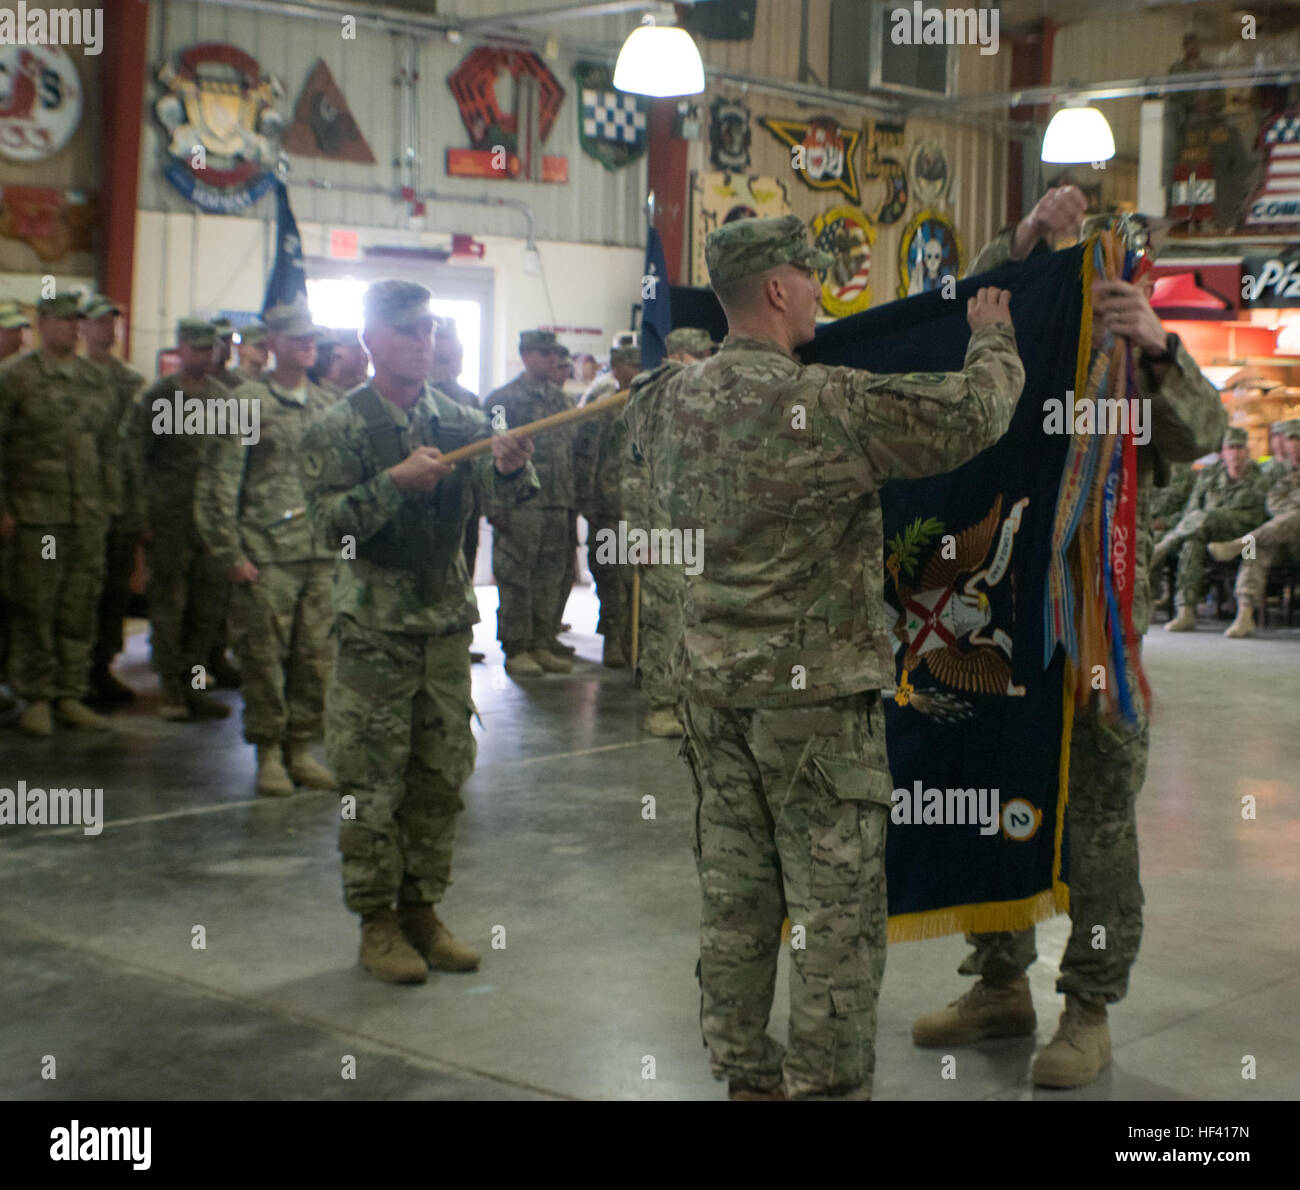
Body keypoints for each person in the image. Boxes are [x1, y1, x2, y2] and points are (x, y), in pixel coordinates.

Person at [626, 214, 1027, 1100]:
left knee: (736, 903)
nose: (821, 294)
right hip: (811, 715)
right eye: (810, 279)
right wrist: (994, 335)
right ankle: (827, 1088)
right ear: (776, 289)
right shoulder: (830, 403)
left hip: (711, 699)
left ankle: (744, 1078)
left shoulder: (661, 401)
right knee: (833, 918)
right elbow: (975, 416)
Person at [911, 185, 1227, 1089]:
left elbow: (1207, 433)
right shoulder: (1014, 356)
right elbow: (952, 324)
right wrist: (1015, 243)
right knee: (989, 803)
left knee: (1095, 834)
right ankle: (999, 982)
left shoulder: (1133, 373)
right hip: (1003, 634)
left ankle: (1087, 1009)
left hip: (1093, 642)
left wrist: (1160, 347)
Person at [299, 279, 537, 984]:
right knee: (371, 784)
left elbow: (502, 504)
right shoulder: (338, 427)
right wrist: (391, 486)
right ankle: (376, 924)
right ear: (372, 340)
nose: (421, 342)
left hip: (442, 627)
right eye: (406, 331)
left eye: (429, 330)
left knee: (439, 778)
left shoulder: (460, 418)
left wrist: (511, 468)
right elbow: (324, 528)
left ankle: (422, 912)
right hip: (373, 627)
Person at [194, 304, 338, 796]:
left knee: (315, 658)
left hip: (319, 555)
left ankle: (301, 747)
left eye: (311, 338)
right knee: (262, 658)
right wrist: (230, 553)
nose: (307, 345)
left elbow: (338, 482)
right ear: (272, 342)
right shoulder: (246, 402)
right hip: (265, 555)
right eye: (296, 338)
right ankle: (269, 753)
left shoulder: (327, 404)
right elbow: (218, 483)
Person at [0, 292, 120, 736]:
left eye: (78, 321)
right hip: (38, 516)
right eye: (66, 320)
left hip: (86, 514)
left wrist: (111, 502)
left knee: (80, 603)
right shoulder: (16, 377)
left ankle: (70, 693)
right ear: (44, 322)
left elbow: (110, 445)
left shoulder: (95, 379)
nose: (74, 327)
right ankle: (36, 696)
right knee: (37, 602)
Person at [134, 319, 233, 721]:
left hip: (210, 521)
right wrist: (142, 515)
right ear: (180, 350)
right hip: (169, 516)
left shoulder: (224, 398)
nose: (204, 355)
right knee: (169, 605)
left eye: (209, 349)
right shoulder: (159, 396)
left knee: (206, 608)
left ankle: (195, 686)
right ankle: (171, 690)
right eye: (196, 349)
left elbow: (233, 462)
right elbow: (136, 457)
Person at [485, 329, 576, 677]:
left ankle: (542, 641)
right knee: (515, 576)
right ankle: (517, 647)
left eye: (553, 354)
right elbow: (489, 455)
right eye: (542, 353)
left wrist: (573, 501)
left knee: (550, 576)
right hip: (520, 502)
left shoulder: (561, 399)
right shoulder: (502, 399)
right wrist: (495, 507)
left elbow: (571, 447)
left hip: (557, 501)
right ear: (524, 355)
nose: (551, 360)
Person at [81, 295, 147, 706]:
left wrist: (141, 511)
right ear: (84, 329)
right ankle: (68, 675)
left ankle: (102, 667)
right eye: (99, 323)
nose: (108, 329)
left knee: (114, 590)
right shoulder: (71, 378)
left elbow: (141, 451)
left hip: (122, 504)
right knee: (78, 590)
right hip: (81, 503)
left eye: (113, 323)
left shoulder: (132, 383)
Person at [1153, 426, 1268, 631]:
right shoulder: (1209, 476)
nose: (1235, 453)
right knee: (1191, 542)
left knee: (1251, 547)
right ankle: (1186, 610)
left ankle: (1245, 614)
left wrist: (1213, 517)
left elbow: (1260, 516)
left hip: (1247, 536)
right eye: (1230, 448)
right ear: (1222, 453)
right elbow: (1192, 510)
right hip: (1209, 535)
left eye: (1240, 447)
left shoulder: (1261, 477)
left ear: (1247, 451)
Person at [574, 343, 641, 668]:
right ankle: (613, 641)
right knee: (612, 579)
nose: (634, 371)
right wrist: (587, 502)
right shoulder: (605, 409)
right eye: (628, 365)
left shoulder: (651, 406)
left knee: (637, 580)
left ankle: (635, 641)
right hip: (609, 507)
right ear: (616, 369)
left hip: (642, 511)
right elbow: (586, 459)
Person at [1210, 419, 1300, 637]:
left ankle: (1239, 543)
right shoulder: (1284, 473)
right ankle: (1245, 613)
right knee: (1255, 548)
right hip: (1283, 536)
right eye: (1291, 440)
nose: (1295, 445)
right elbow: (1273, 502)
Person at [325, 329, 368, 397]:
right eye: (355, 351)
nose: (363, 356)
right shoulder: (323, 390)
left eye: (363, 350)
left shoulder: (368, 387)